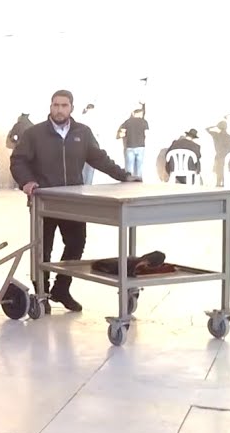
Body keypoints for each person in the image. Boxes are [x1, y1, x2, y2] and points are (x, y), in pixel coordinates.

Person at [10, 89, 138, 313]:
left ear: (71, 108)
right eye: (55, 105)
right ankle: (42, 294)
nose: (59, 109)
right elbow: (18, 160)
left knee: (76, 244)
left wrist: (124, 176)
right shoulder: (34, 134)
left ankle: (61, 288)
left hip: (73, 202)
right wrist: (27, 182)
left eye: (64, 105)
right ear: (50, 107)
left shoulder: (83, 132)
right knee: (42, 250)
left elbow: (99, 158)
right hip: (45, 200)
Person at [117, 107, 150, 179]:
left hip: (130, 146)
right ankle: (138, 184)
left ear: (133, 113)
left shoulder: (127, 122)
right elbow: (147, 134)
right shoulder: (144, 122)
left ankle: (129, 185)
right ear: (140, 114)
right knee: (139, 168)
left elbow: (121, 134)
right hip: (141, 146)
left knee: (129, 169)